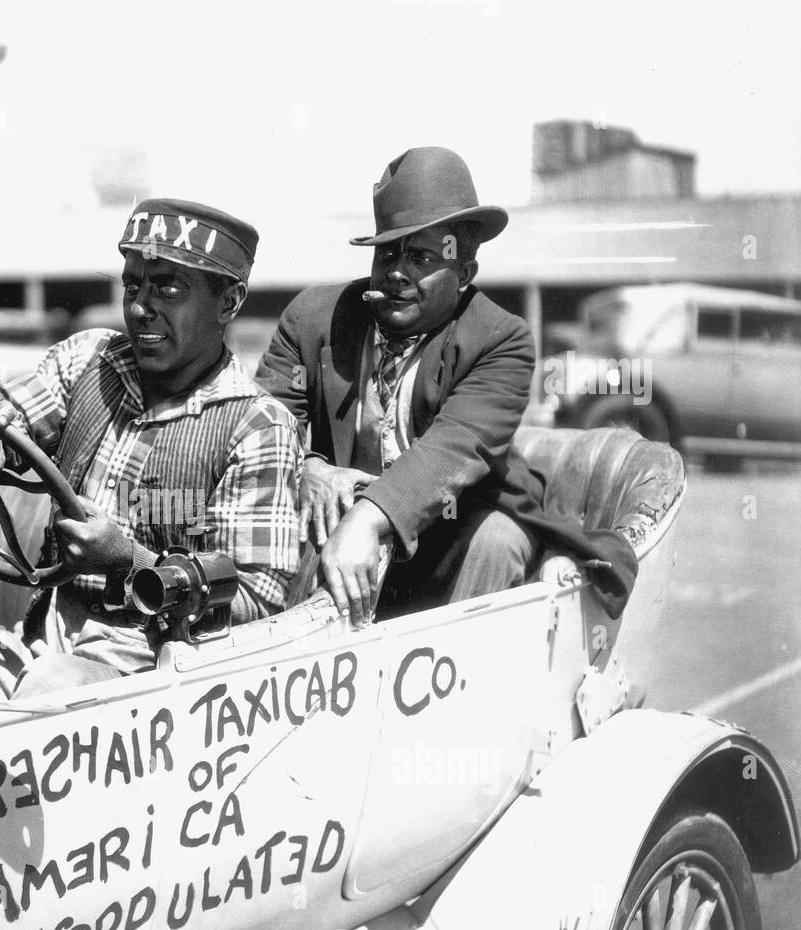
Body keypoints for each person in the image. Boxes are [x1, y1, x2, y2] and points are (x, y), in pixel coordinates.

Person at [0, 198, 302, 700]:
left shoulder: (256, 426)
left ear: (228, 303)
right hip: (39, 644)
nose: (141, 306)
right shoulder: (88, 361)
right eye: (133, 284)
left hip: (156, 682)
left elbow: (257, 604)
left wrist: (128, 560)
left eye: (167, 288)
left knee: (48, 692)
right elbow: (1, 438)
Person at [255, 147, 636, 625]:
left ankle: (459, 692)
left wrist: (368, 518)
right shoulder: (313, 318)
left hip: (459, 526)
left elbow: (454, 448)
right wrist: (309, 465)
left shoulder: (502, 339)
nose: (396, 271)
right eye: (388, 251)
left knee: (496, 543)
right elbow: (263, 428)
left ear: (464, 275)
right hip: (342, 530)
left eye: (420, 257)